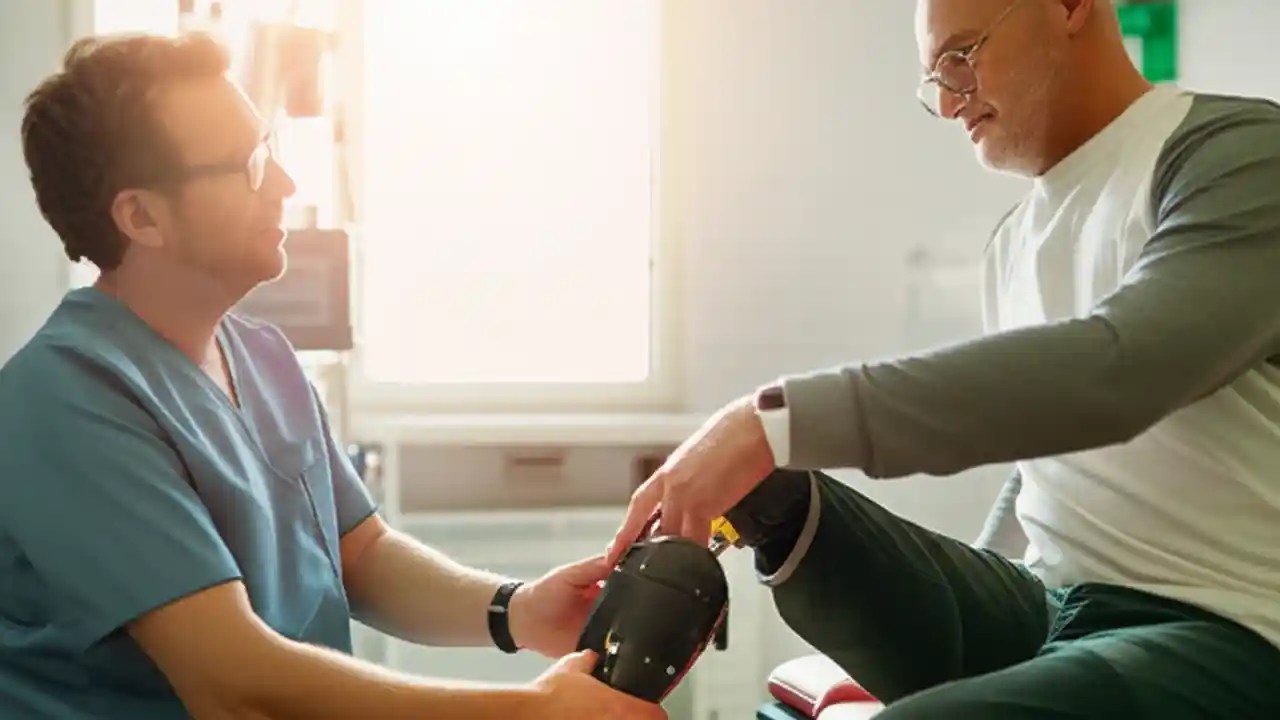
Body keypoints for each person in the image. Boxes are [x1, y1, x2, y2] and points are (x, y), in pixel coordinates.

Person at [610, 0, 1280, 717]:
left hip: (1225, 632)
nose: (950, 99)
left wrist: (769, 421)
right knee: (765, 490)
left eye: (963, 56)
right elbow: (1043, 478)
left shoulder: (1237, 153)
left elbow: (1121, 372)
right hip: (1056, 609)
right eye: (935, 75)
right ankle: (593, 695)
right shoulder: (1017, 237)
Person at [0, 33, 665, 720]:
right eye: (252, 166)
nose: (286, 186)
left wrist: (516, 610)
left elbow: (361, 554)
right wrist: (529, 713)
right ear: (141, 216)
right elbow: (232, 686)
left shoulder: (264, 358)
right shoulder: (62, 403)